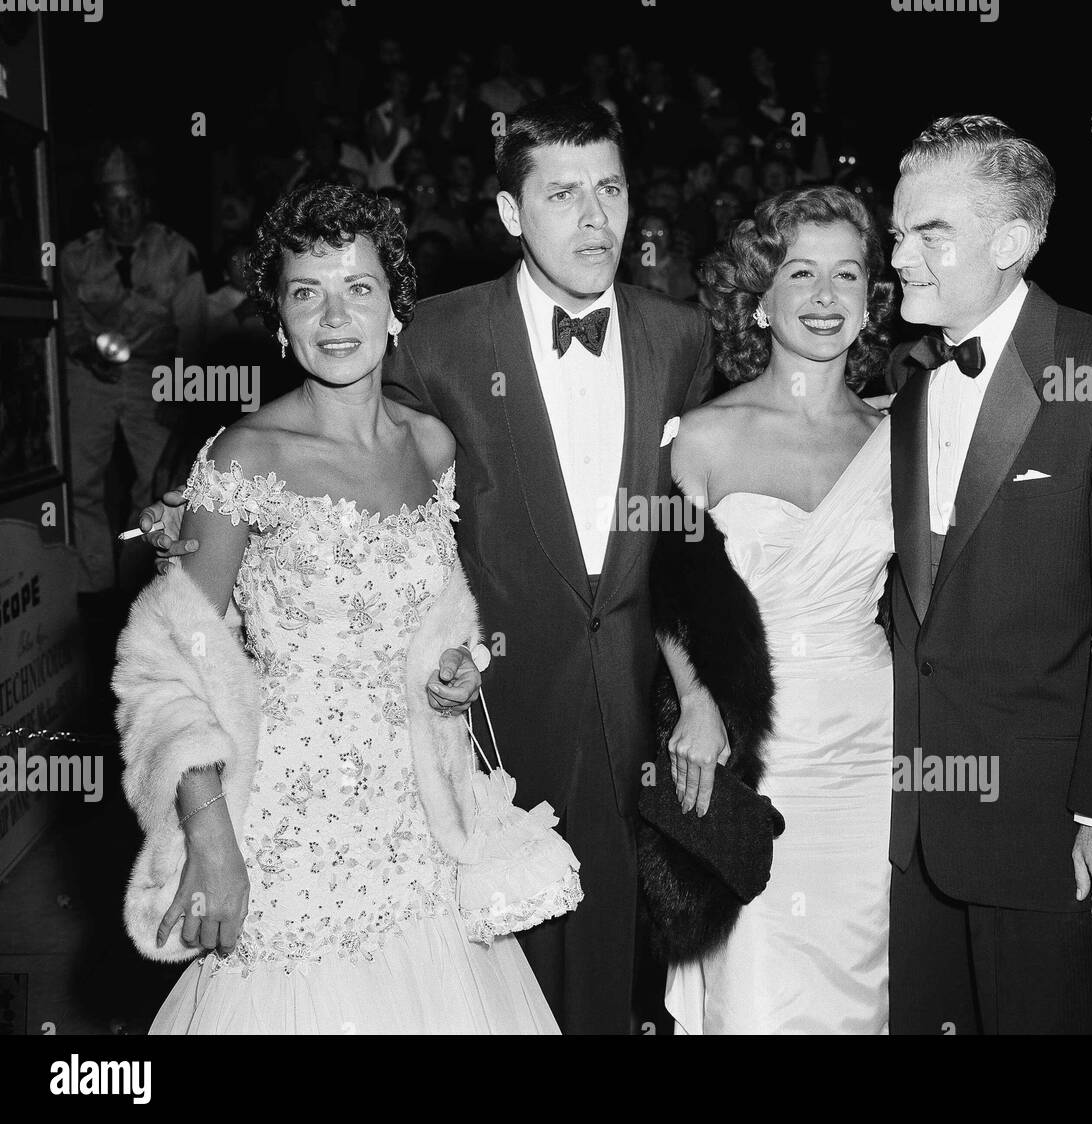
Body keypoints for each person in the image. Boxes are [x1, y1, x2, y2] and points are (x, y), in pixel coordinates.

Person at [143, 97, 714, 1035]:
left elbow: (691, 539)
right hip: (314, 805)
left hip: (450, 776)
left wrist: (694, 686)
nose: (592, 217)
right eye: (562, 193)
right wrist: (191, 520)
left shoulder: (664, 345)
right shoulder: (435, 347)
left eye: (609, 189)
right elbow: (180, 640)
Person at [121, 182, 570, 1034]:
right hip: (291, 832)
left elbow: (439, 615)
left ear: (397, 306)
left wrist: (456, 672)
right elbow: (167, 665)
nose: (334, 316)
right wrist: (211, 838)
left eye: (358, 288)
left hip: (421, 825)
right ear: (279, 320)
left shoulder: (432, 443)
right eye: (306, 293)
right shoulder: (245, 457)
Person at [885, 116, 1092, 1034]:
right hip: (908, 829)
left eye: (928, 233)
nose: (899, 256)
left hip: (1043, 824)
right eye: (896, 233)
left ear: (1012, 242)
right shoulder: (913, 385)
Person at [658, 185, 895, 1033]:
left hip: (871, 748)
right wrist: (695, 700)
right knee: (757, 980)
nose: (826, 298)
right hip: (751, 737)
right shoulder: (701, 435)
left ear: (872, 297)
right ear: (759, 297)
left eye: (847, 274)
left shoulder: (901, 438)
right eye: (800, 273)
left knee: (861, 974)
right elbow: (661, 585)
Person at [62, 145, 206, 594]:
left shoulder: (177, 252)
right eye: (113, 202)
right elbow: (66, 327)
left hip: (155, 376)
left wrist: (182, 397)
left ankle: (138, 581)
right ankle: (94, 586)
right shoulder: (74, 258)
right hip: (91, 376)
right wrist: (86, 351)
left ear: (145, 202)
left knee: (154, 482)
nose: (124, 211)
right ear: (98, 207)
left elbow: (195, 334)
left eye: (132, 200)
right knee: (80, 482)